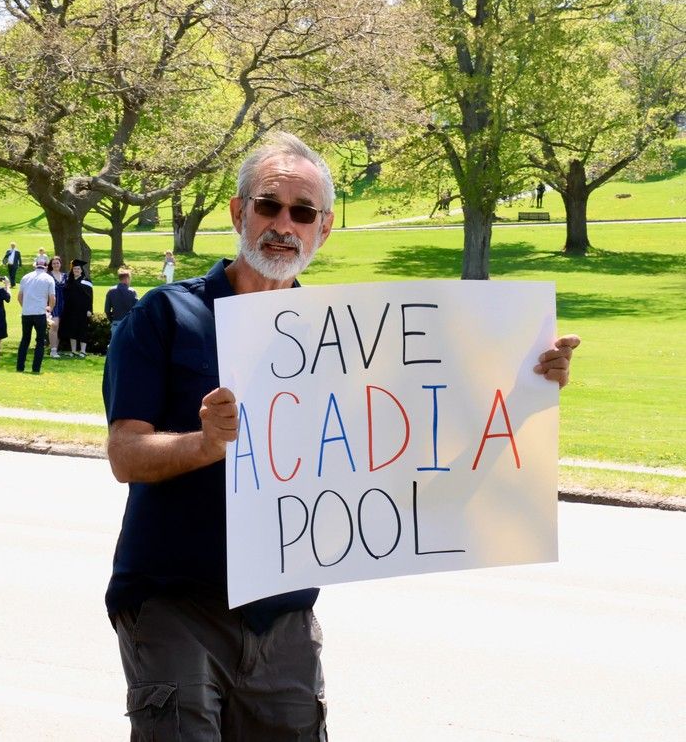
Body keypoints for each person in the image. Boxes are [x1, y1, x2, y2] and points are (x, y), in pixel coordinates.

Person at [101, 132, 581, 740]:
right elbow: (124, 455)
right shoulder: (167, 316)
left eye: (303, 214)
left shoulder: (347, 342)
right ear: (237, 211)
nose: (284, 224)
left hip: (285, 617)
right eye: (269, 205)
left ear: (324, 229)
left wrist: (524, 392)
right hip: (175, 605)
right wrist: (204, 444)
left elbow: (416, 455)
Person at [16, 258, 56, 373]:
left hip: (26, 313)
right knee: (40, 341)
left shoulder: (26, 277)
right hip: (40, 313)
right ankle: (36, 368)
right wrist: (50, 309)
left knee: (25, 339)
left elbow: (19, 297)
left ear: (35, 266)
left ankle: (20, 367)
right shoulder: (49, 279)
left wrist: (25, 306)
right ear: (46, 267)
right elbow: (52, 298)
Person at [58, 259, 93, 357]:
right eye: (74, 269)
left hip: (83, 310)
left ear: (81, 270)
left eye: (78, 269)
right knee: (72, 329)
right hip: (70, 310)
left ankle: (83, 351)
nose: (76, 270)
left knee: (82, 329)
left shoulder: (86, 282)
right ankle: (73, 351)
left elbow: (90, 297)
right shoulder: (69, 281)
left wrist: (90, 309)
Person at [103, 268, 137, 336]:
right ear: (127, 279)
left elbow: (107, 310)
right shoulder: (132, 292)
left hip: (116, 322)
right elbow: (137, 309)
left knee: (115, 345)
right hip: (129, 322)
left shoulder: (111, 291)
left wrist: (112, 320)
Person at [46, 255, 65, 359]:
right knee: (54, 325)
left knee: (60, 327)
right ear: (51, 265)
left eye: (57, 263)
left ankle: (55, 349)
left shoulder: (65, 276)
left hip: (64, 303)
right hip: (53, 303)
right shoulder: (48, 276)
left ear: (60, 264)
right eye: (54, 263)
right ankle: (53, 350)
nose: (56, 265)